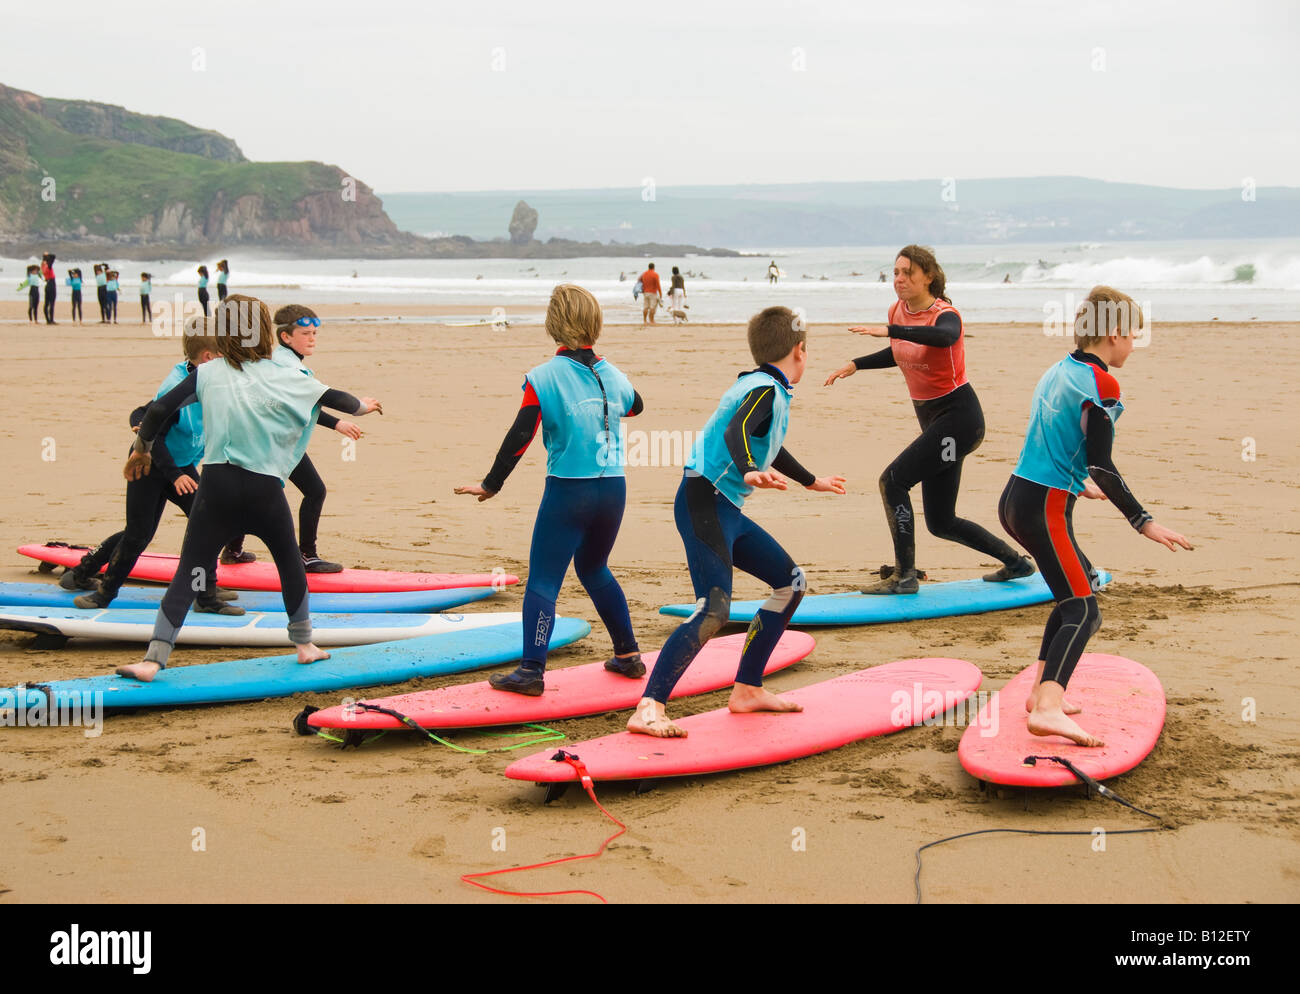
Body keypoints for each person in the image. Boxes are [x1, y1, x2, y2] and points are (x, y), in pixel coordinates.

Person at [115, 295, 382, 682]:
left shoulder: (207, 374)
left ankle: (153, 660)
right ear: (267, 335)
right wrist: (362, 405)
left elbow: (157, 411)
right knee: (290, 562)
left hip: (217, 488)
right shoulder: (283, 373)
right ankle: (305, 645)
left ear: (222, 334)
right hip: (264, 489)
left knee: (188, 570)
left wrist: (142, 450)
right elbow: (342, 402)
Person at [630, 306, 847, 737]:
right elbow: (738, 430)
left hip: (725, 507)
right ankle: (649, 706)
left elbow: (767, 442)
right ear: (800, 351)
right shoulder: (764, 389)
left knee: (791, 583)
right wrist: (748, 468)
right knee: (713, 608)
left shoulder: (765, 386)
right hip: (703, 500)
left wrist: (811, 481)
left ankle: (747, 688)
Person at [1000, 286, 1192, 746]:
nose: (1133, 346)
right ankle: (1047, 708)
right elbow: (1103, 464)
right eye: (1133, 336)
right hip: (1043, 508)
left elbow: (1054, 437)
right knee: (1084, 610)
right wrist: (1143, 521)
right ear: (1116, 333)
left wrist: (1074, 478)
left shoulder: (1058, 370)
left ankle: (1040, 693)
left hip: (1017, 497)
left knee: (1075, 588)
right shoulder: (1101, 383)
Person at [455, 284, 644, 696]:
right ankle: (628, 655)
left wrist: (491, 484)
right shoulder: (612, 372)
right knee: (594, 568)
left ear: (553, 325)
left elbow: (521, 434)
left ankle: (531, 670)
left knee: (543, 581)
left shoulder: (544, 377)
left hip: (568, 492)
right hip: (613, 489)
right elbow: (636, 405)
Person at [825, 245, 1031, 593]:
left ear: (929, 277)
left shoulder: (945, 315)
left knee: (893, 481)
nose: (899, 279)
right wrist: (858, 364)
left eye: (908, 273)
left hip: (959, 422)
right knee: (941, 521)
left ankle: (905, 576)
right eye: (895, 273)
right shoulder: (898, 311)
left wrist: (893, 331)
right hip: (936, 422)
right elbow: (900, 351)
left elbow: (942, 338)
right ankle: (1016, 563)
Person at [62, 318, 242, 615]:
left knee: (208, 523)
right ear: (209, 357)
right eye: (226, 354)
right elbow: (152, 426)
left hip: (181, 465)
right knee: (138, 533)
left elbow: (141, 410)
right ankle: (98, 588)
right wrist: (174, 475)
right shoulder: (178, 386)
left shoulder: (208, 378)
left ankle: (204, 591)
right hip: (150, 465)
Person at [219, 305, 369, 573]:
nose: (312, 338)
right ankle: (305, 556)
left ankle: (232, 549)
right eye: (305, 333)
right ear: (286, 337)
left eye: (315, 333)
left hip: (273, 440)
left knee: (277, 494)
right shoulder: (286, 366)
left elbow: (301, 402)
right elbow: (326, 397)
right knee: (300, 493)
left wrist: (337, 424)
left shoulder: (281, 359)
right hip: (272, 443)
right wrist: (359, 407)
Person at [40, 253, 57, 325]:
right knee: (52, 303)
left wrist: (45, 257)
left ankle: (48, 320)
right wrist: (47, 255)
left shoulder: (43, 266)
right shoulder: (48, 266)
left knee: (46, 303)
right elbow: (54, 256)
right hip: (51, 284)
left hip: (47, 284)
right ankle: (51, 320)